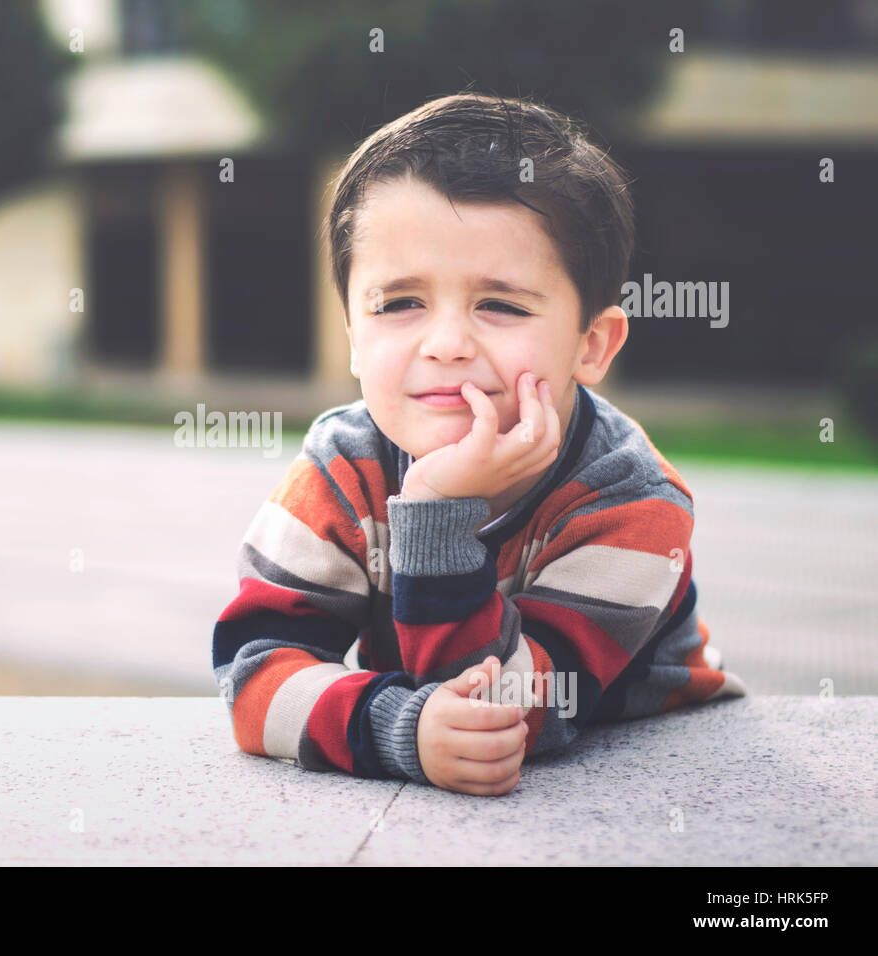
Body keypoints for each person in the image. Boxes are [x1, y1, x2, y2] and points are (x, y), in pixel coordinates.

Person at [211, 92, 746, 796]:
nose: (446, 345)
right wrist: (401, 728)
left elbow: (512, 717)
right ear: (350, 338)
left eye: (501, 305)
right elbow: (255, 673)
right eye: (400, 303)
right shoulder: (343, 465)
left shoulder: (632, 503)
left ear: (593, 345)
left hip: (660, 759)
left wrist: (438, 508)